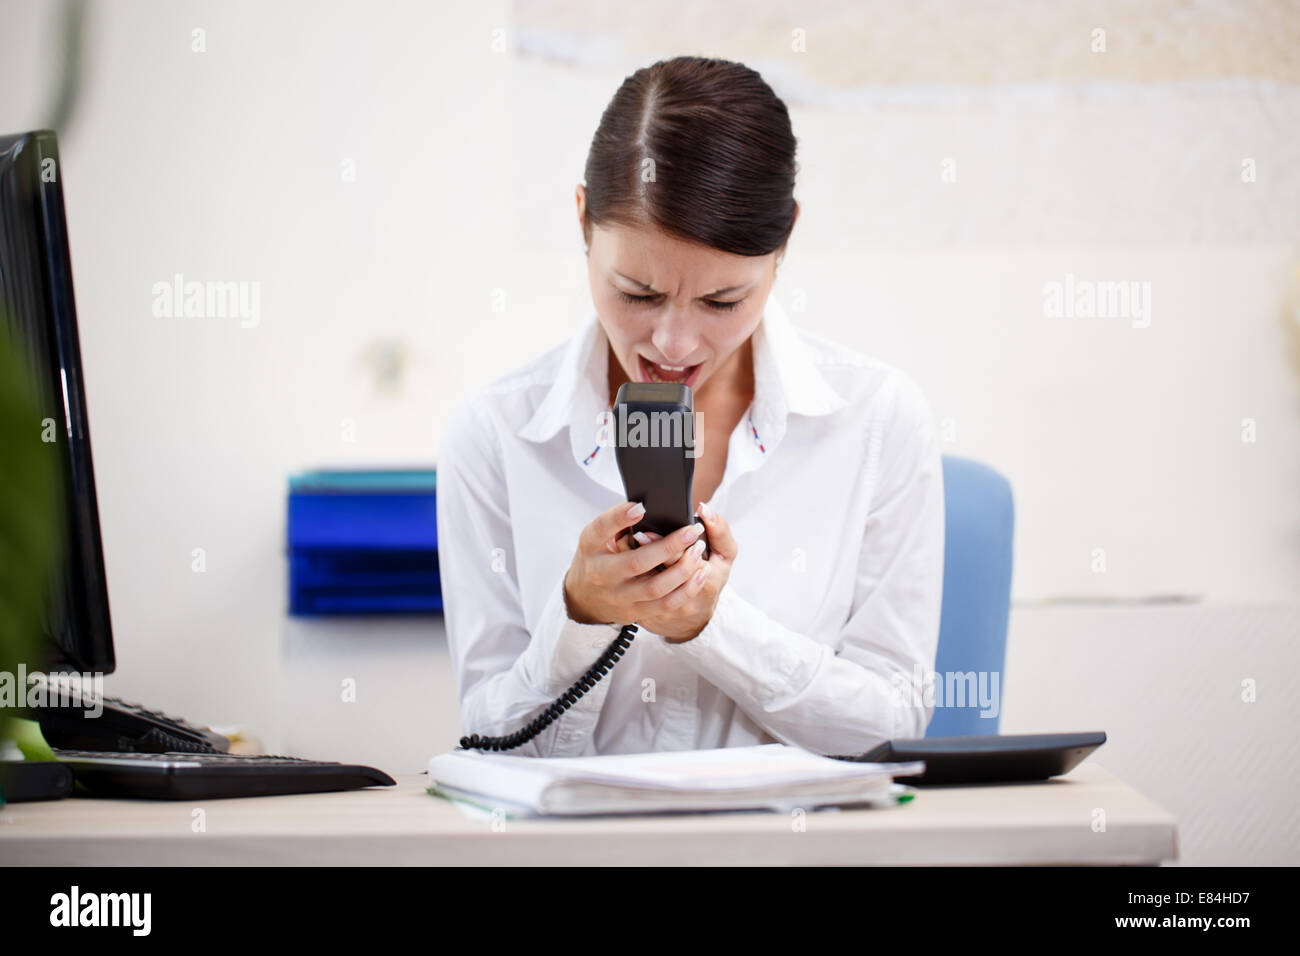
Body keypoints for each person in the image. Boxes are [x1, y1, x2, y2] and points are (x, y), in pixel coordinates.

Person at [436, 56, 944, 758]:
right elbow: (486, 740)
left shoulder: (879, 421)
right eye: (637, 293)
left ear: (784, 241)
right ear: (583, 220)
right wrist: (579, 618)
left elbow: (889, 731)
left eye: (722, 301)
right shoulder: (495, 434)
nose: (673, 343)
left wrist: (711, 627)